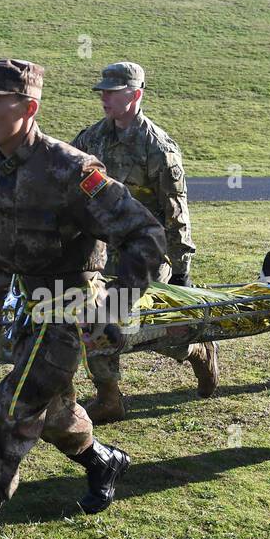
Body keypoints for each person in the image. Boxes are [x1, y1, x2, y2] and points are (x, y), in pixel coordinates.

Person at [0, 60, 165, 539]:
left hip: (70, 308)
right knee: (52, 408)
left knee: (6, 416)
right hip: (29, 305)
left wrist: (116, 304)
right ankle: (103, 461)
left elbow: (146, 236)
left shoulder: (73, 170)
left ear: (27, 109)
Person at [71, 61, 217, 423]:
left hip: (150, 254)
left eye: (112, 92)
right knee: (92, 317)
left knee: (135, 323)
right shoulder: (92, 139)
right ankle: (109, 398)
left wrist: (181, 273)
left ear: (134, 96)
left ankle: (195, 348)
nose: (104, 97)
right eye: (102, 91)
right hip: (104, 252)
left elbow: (176, 215)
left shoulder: (158, 148)